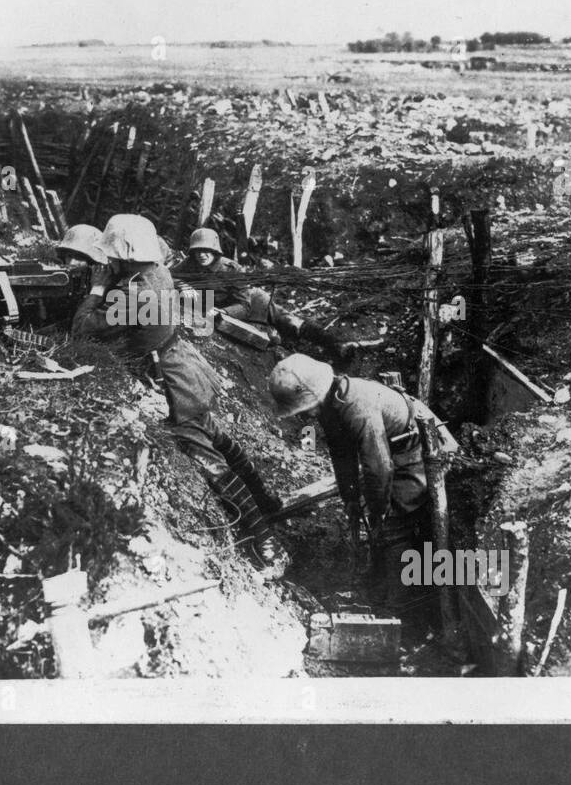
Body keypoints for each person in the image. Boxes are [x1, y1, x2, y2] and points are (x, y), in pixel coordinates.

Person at [72, 214, 286, 572]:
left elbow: (83, 330)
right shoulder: (158, 272)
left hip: (170, 379)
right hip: (184, 361)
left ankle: (267, 542)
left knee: (207, 459)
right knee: (214, 431)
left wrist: (96, 291)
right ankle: (267, 501)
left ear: (123, 254)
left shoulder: (135, 292)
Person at [268, 353, 434, 612]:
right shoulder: (330, 404)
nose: (307, 417)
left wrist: (378, 511)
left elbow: (379, 467)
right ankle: (379, 581)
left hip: (413, 448)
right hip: (389, 450)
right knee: (379, 517)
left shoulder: (358, 407)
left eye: (306, 408)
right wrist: (351, 499)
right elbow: (341, 453)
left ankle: (401, 606)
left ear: (318, 393)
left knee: (394, 526)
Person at [172, 227, 352, 365]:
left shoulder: (231, 269)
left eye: (207, 250)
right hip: (226, 312)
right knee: (271, 340)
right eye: (198, 250)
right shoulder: (189, 264)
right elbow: (169, 275)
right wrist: (183, 286)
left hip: (254, 303)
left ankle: (335, 344)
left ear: (215, 251)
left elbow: (245, 306)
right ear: (192, 252)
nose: (202, 255)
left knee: (291, 323)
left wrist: (223, 312)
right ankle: (283, 341)